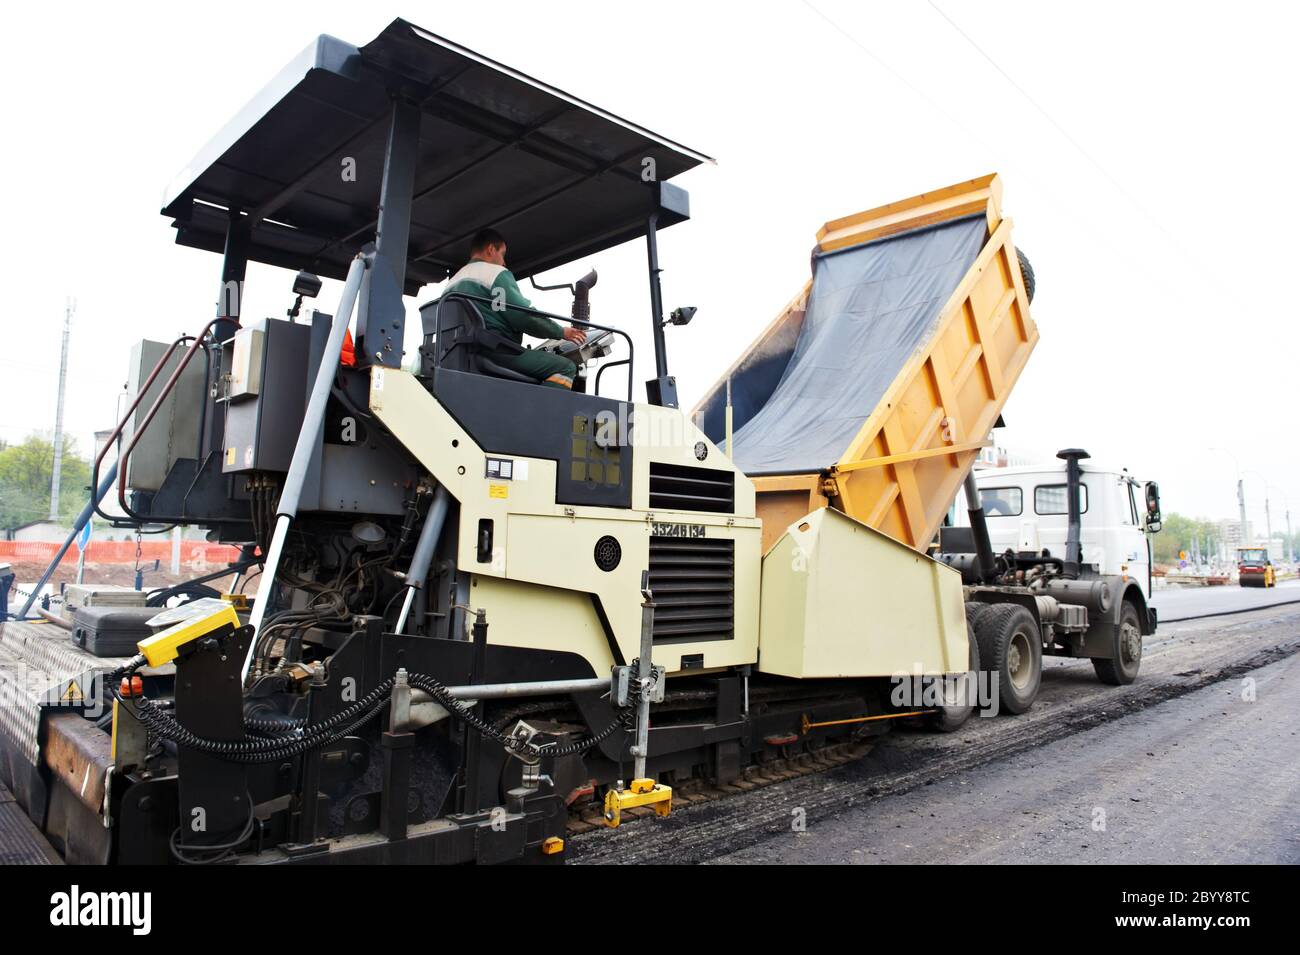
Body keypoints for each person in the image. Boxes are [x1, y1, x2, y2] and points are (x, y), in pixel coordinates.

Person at [444, 228, 586, 388]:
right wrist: (561, 332)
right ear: (491, 249)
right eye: (503, 255)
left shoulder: (451, 284)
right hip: (495, 352)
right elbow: (522, 316)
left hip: (455, 353)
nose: (504, 262)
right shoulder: (495, 274)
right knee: (565, 367)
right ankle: (539, 413)